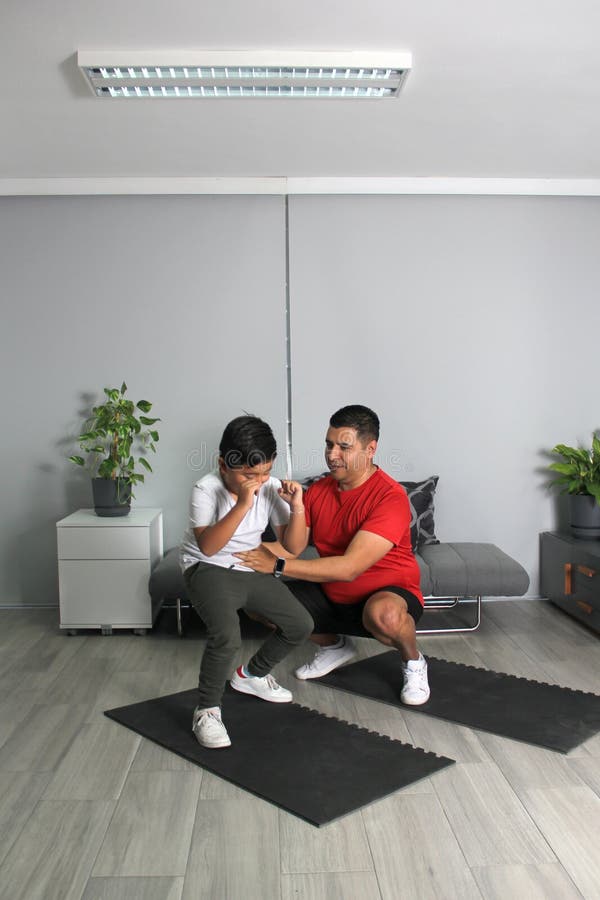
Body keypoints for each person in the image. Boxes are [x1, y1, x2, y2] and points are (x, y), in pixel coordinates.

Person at [235, 405, 430, 706]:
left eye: (344, 446)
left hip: (387, 594)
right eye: (329, 444)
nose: (332, 454)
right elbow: (291, 547)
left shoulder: (390, 497)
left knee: (385, 615)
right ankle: (335, 646)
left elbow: (349, 568)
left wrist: (276, 566)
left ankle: (413, 662)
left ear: (370, 449)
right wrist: (230, 551)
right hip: (333, 595)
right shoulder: (320, 490)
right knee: (258, 602)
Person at [180, 415, 314, 749]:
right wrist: (243, 502)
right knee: (226, 635)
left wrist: (297, 508)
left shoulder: (269, 488)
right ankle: (207, 711)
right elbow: (209, 545)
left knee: (300, 624)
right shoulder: (205, 489)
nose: (258, 481)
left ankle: (251, 675)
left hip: (249, 565)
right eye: (248, 474)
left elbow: (294, 547)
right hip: (206, 567)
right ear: (223, 464)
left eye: (265, 472)